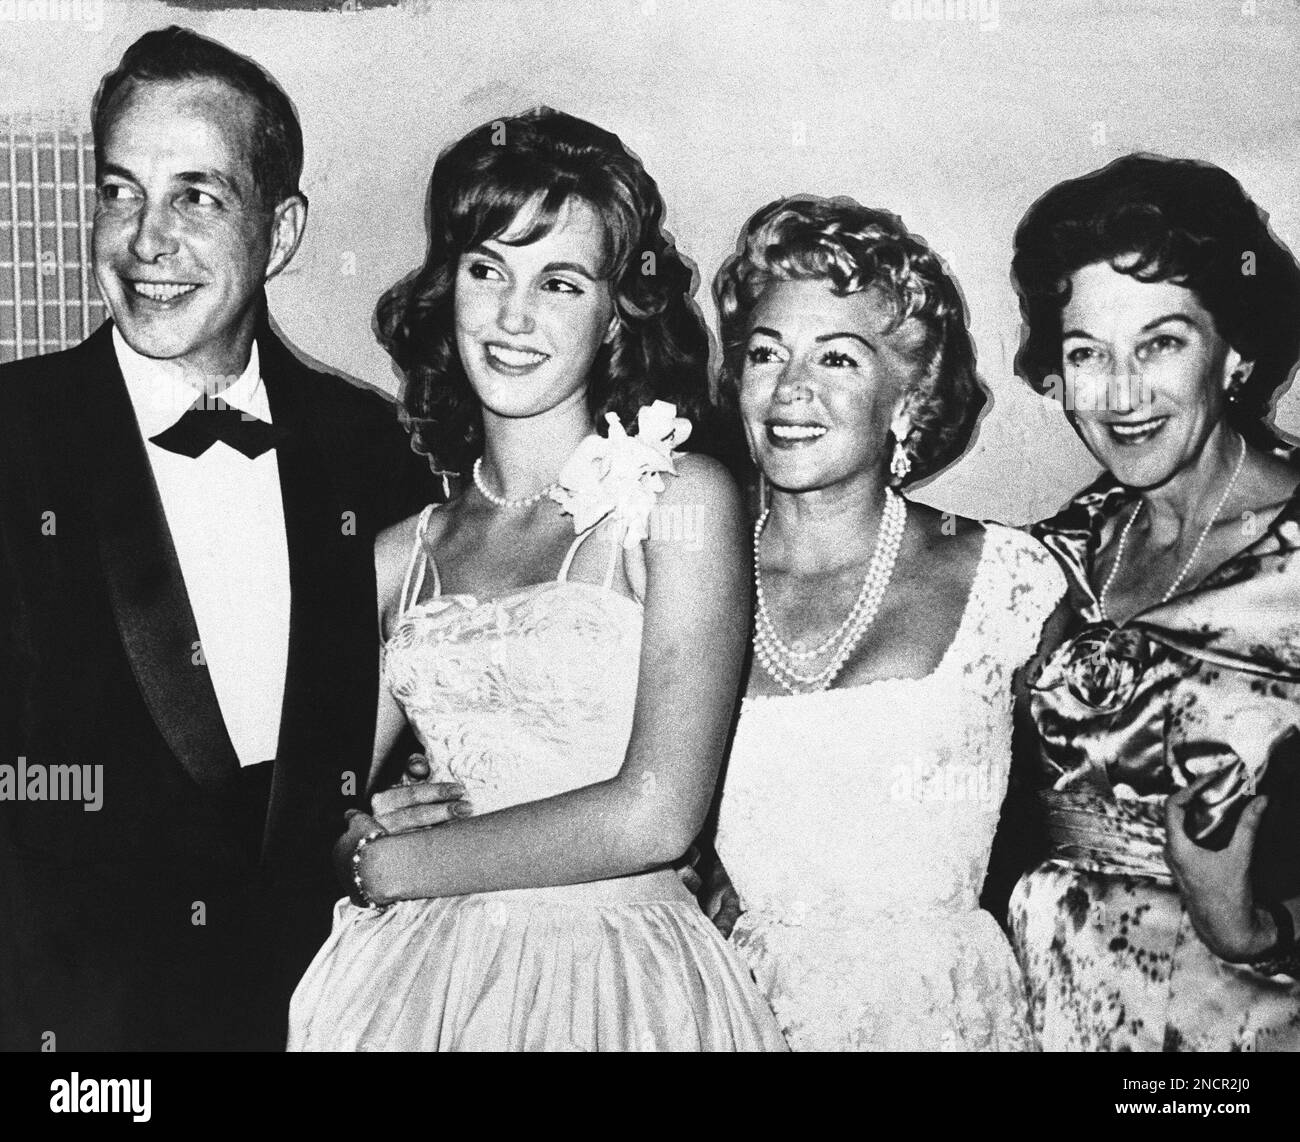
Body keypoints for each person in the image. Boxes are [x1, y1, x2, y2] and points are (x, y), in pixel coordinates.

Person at [287, 108, 787, 1052]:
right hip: (414, 993)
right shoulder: (399, 553)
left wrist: (396, 867)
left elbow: (657, 813)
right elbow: (304, 801)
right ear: (449, 289)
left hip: (618, 983)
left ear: (613, 319)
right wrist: (352, 833)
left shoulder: (679, 501)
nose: (515, 317)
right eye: (487, 269)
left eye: (559, 283)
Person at [0, 27, 434, 1051]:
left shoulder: (369, 446)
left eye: (197, 195)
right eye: (119, 191)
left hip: (325, 1011)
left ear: (280, 232)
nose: (145, 240)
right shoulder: (14, 437)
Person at [709, 195, 1065, 1050]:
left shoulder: (1009, 582)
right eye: (766, 353)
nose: (792, 388)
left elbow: (1083, 838)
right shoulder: (686, 583)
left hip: (947, 1019)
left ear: (907, 395)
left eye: (838, 358)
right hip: (738, 1016)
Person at [1008, 153, 1300, 1051]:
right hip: (1044, 1010)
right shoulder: (1053, 552)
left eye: (1162, 343)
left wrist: (1253, 926)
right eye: (1088, 354)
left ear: (1236, 349)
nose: (1121, 393)